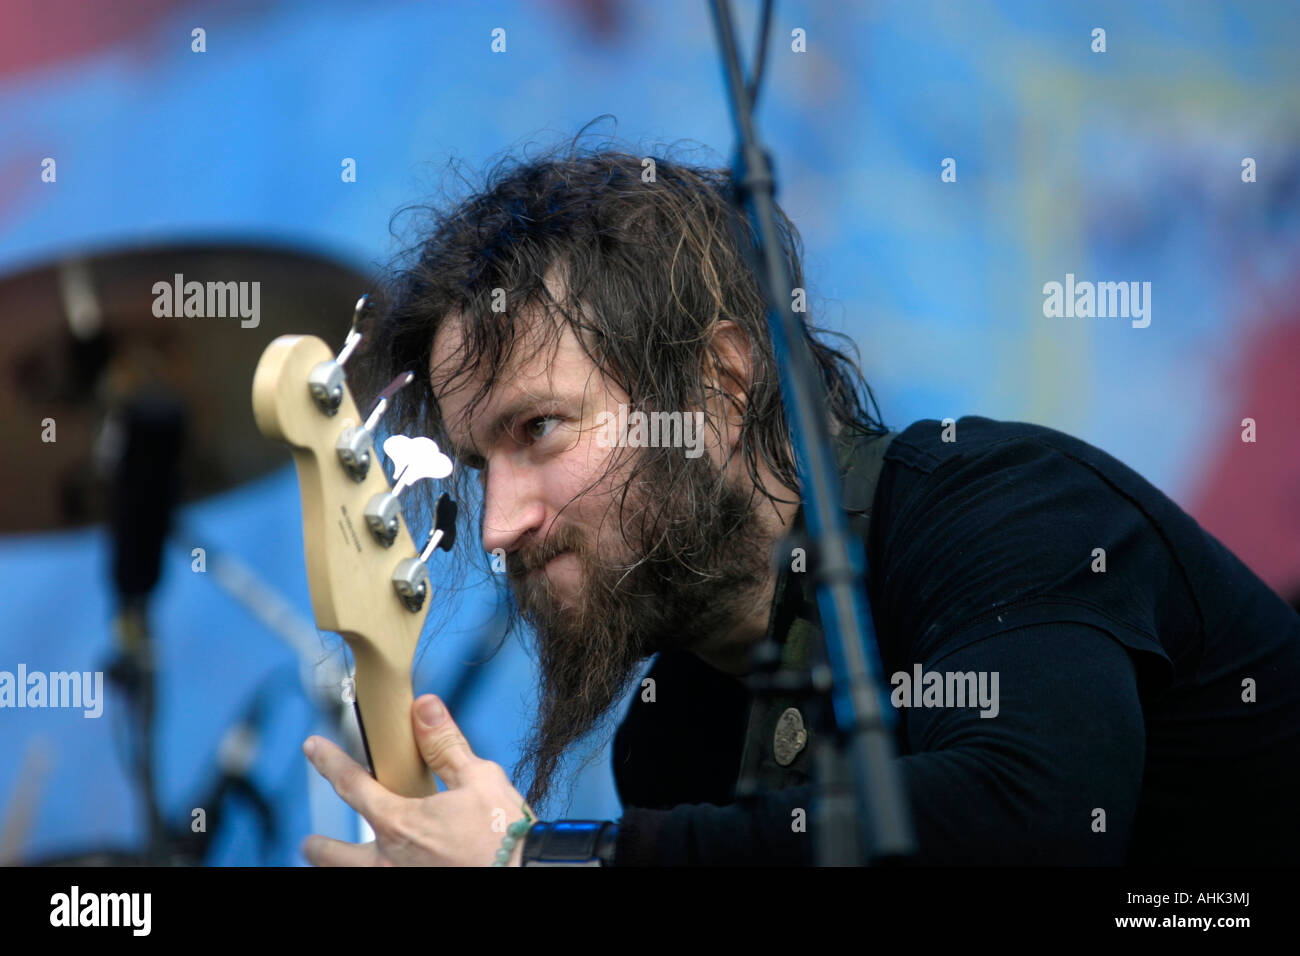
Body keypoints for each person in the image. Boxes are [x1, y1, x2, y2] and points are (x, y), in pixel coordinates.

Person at [299, 144, 1300, 867]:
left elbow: (1030, 815)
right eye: (477, 464)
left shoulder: (1004, 512)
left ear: (722, 383)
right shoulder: (676, 738)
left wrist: (541, 856)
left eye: (541, 430)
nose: (498, 522)